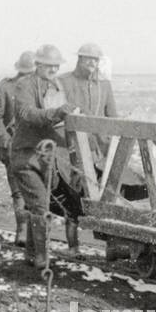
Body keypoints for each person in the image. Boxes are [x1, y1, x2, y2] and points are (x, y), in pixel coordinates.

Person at [8, 44, 82, 266]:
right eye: (49, 66)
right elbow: (29, 115)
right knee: (40, 204)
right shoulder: (24, 86)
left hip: (48, 159)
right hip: (26, 157)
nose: (53, 70)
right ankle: (41, 257)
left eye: (56, 66)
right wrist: (58, 113)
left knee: (36, 207)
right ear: (38, 65)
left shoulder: (57, 87)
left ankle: (31, 253)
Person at [58, 42, 120, 236]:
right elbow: (56, 114)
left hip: (99, 150)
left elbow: (113, 117)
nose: (92, 63)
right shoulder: (63, 82)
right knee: (73, 193)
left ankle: (107, 240)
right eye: (88, 58)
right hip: (72, 148)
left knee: (104, 193)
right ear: (80, 59)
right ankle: (73, 244)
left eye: (95, 59)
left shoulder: (104, 85)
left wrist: (112, 142)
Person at [0, 51, 36, 236]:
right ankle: (22, 231)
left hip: (33, 148)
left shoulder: (37, 88)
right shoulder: (5, 87)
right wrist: (5, 141)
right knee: (18, 191)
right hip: (12, 148)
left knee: (31, 192)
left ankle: (29, 232)